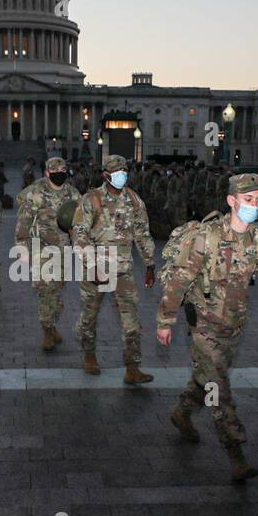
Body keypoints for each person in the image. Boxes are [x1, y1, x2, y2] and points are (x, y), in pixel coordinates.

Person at [157, 173, 258, 482]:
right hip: (203, 326)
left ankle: (182, 412)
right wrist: (166, 321)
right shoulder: (206, 237)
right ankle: (236, 453)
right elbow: (179, 282)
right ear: (232, 201)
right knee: (219, 389)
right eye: (248, 200)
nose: (254, 206)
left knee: (207, 378)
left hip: (233, 326)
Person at [71, 154, 156, 384]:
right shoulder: (91, 199)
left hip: (123, 270)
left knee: (132, 321)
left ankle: (132, 367)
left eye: (124, 171)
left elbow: (142, 233)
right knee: (89, 315)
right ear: (105, 175)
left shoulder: (134, 200)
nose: (122, 176)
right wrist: (92, 265)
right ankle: (88, 354)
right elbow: (78, 235)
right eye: (117, 172)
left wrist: (150, 263)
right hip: (95, 269)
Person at [15, 156, 81, 350]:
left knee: (57, 291)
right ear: (47, 173)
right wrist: (22, 248)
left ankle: (52, 325)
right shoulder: (37, 192)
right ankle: (47, 331)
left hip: (64, 250)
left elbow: (82, 220)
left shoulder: (73, 193)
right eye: (56, 172)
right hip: (41, 249)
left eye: (63, 171)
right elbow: (24, 220)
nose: (60, 175)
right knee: (45, 290)